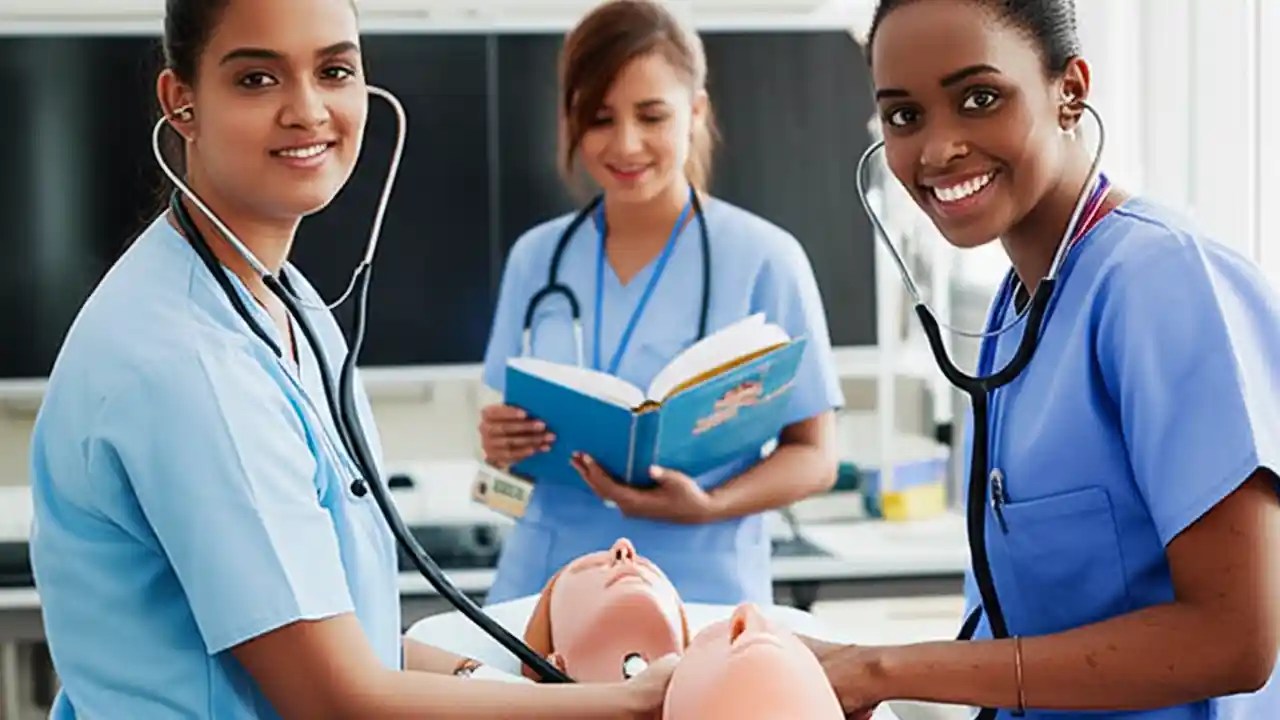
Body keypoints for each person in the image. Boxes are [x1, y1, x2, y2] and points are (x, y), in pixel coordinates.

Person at [26, 0, 679, 717]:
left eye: (335, 70)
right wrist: (634, 704)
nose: (308, 111)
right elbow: (335, 696)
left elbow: (337, 635)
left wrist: (478, 676)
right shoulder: (189, 366)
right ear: (181, 102)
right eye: (256, 80)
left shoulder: (287, 304)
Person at [804, 0, 1280, 718]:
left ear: (1071, 90)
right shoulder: (1015, 310)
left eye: (980, 99)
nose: (937, 151)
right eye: (905, 117)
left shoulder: (1159, 283)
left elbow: (1236, 640)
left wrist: (881, 668)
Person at [476, 0, 845, 607]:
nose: (626, 144)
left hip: (699, 593)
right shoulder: (535, 258)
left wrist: (709, 506)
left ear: (695, 112)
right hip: (545, 590)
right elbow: (505, 462)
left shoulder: (765, 259)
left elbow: (815, 457)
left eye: (652, 115)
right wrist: (502, 446)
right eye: (598, 118)